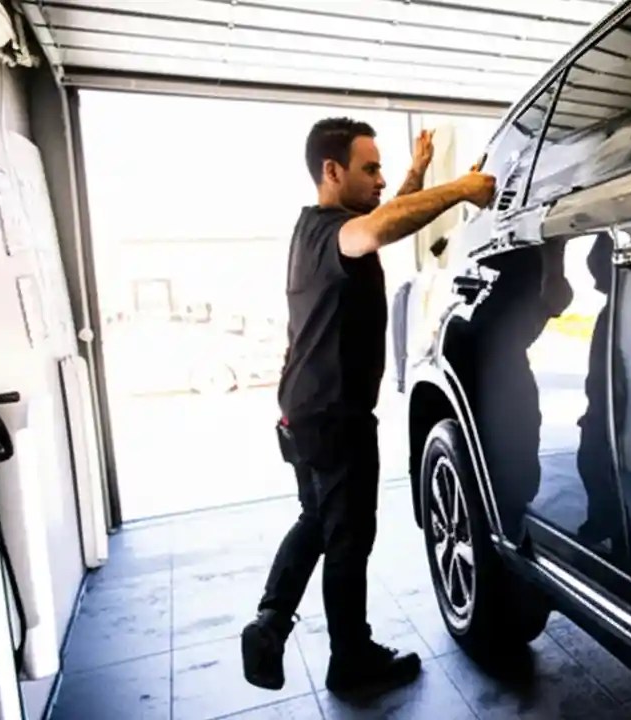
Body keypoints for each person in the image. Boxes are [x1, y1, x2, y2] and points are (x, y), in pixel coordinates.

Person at [241, 118, 495, 699]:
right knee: (349, 539)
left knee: (317, 520)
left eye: (382, 169)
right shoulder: (338, 231)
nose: (380, 180)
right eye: (370, 169)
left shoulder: (314, 229)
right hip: (334, 415)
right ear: (332, 172)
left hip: (302, 410)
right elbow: (377, 229)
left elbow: (380, 220)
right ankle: (350, 659)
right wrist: (458, 188)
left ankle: (270, 621)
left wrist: (415, 174)